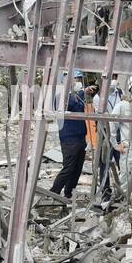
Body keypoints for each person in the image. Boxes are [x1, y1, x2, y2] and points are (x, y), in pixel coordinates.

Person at [51, 70, 88, 200]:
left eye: (79, 80)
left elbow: (79, 106)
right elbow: (70, 105)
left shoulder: (76, 95)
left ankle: (68, 193)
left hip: (80, 136)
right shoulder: (61, 95)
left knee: (77, 168)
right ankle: (54, 193)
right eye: (76, 79)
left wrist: (82, 93)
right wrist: (81, 92)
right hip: (69, 138)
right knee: (68, 168)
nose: (78, 82)